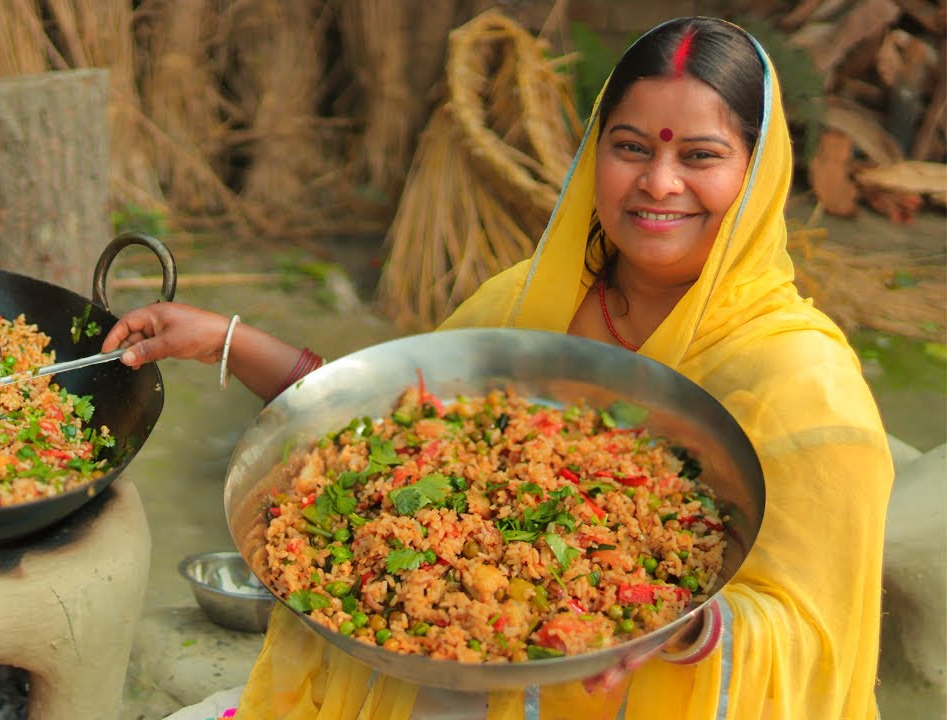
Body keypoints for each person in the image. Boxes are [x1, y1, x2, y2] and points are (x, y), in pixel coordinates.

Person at [103, 16, 893, 720]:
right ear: (593, 155)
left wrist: (681, 625)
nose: (658, 182)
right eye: (629, 147)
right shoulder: (525, 302)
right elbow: (377, 424)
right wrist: (226, 339)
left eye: (702, 156)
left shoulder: (799, 374)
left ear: (757, 179)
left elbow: (814, 634)